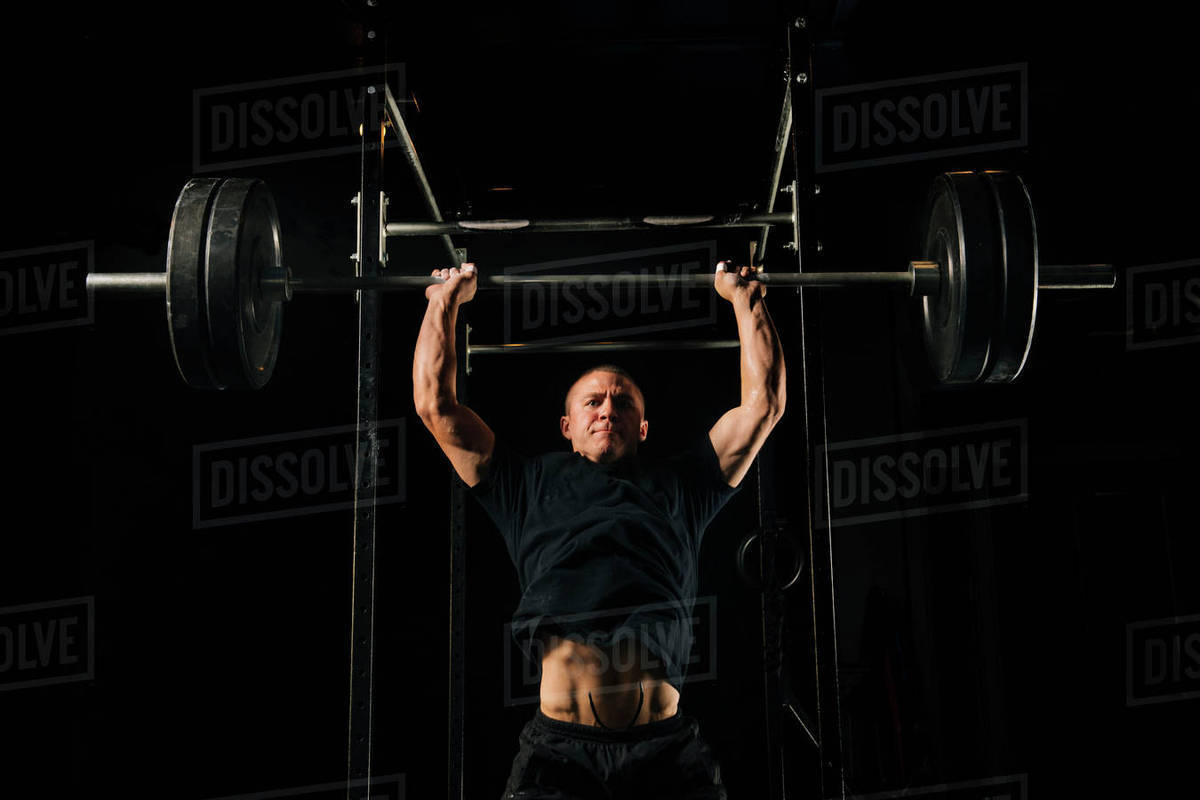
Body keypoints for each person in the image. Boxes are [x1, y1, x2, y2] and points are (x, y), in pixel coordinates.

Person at [413, 261, 787, 799]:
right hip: (558, 756)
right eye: (593, 402)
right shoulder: (526, 486)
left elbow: (763, 406)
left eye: (623, 402)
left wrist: (745, 299)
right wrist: (444, 300)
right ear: (567, 427)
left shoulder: (683, 485)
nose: (607, 411)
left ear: (644, 426)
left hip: (665, 751)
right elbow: (435, 405)